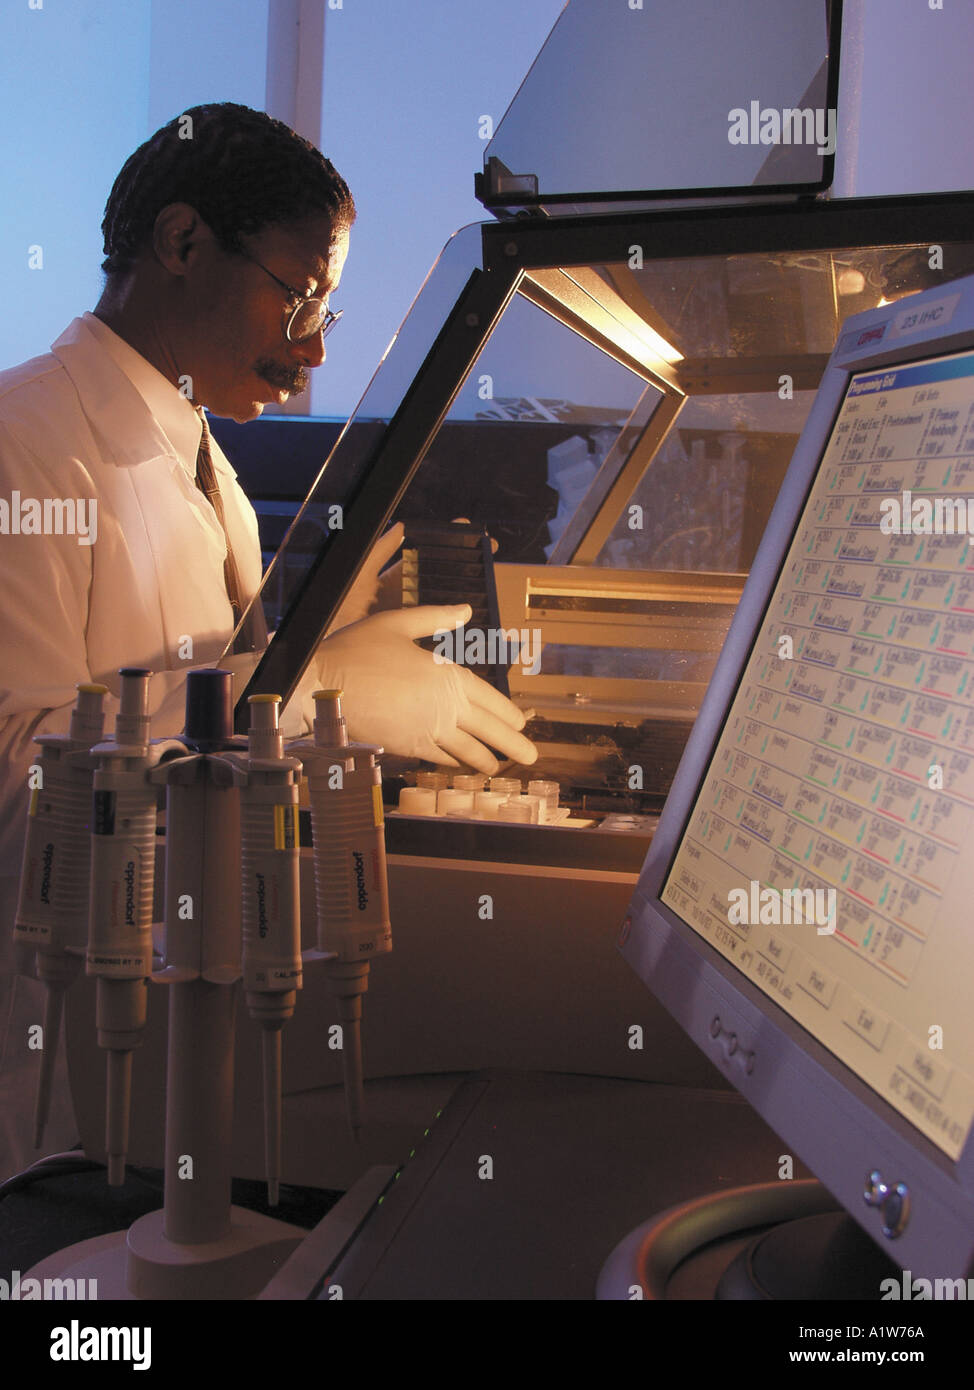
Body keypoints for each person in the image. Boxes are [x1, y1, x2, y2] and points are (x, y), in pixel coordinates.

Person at [0, 103, 536, 1178]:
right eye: (301, 294)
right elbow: (21, 777)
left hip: (173, 1023)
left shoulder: (198, 452)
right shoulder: (28, 443)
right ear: (183, 243)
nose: (314, 347)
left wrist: (309, 649)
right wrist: (307, 683)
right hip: (50, 1073)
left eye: (327, 306)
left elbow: (183, 696)